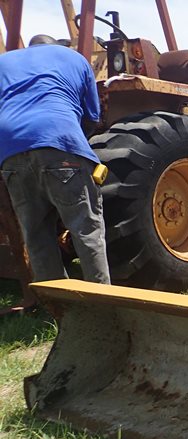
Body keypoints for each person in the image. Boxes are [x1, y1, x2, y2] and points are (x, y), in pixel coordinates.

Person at [0, 34, 110, 284]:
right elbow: (92, 116)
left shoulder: (3, 62)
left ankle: (59, 311)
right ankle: (103, 309)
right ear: (55, 46)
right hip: (59, 140)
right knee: (87, 230)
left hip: (9, 149)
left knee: (36, 236)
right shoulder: (74, 58)